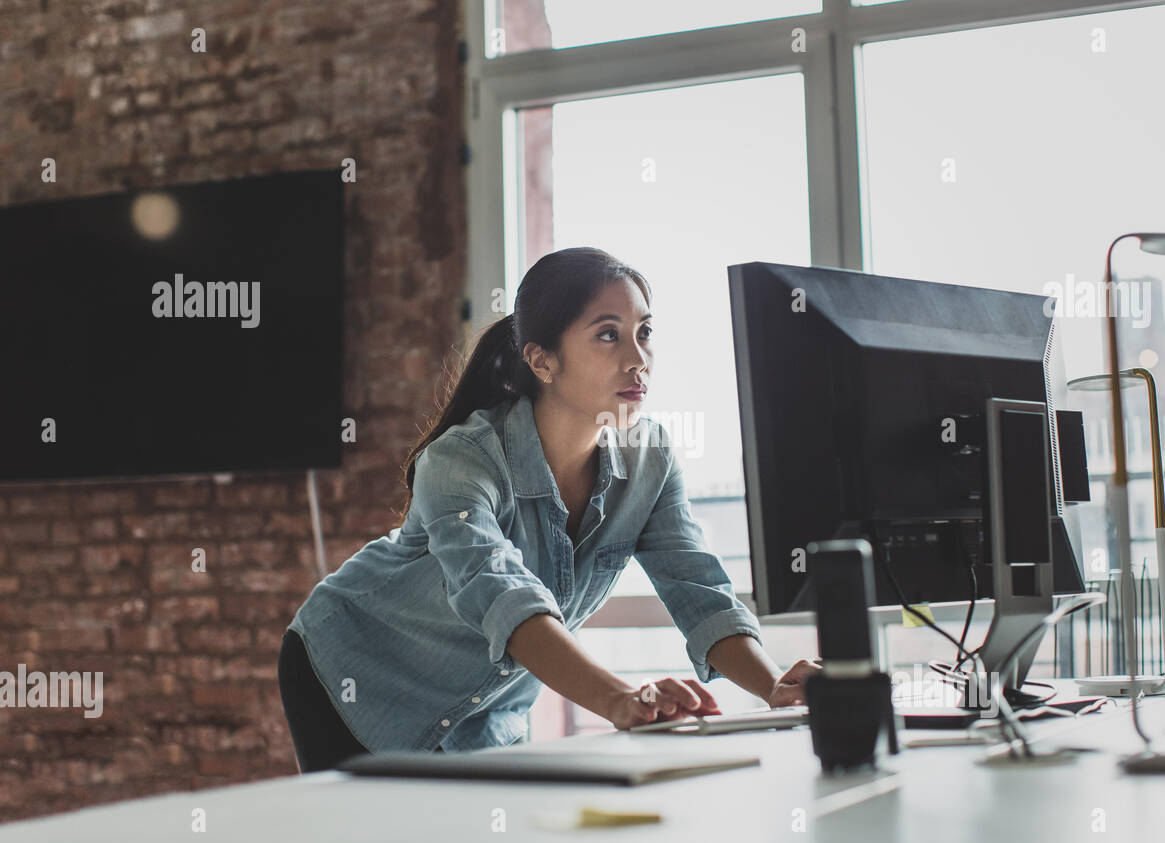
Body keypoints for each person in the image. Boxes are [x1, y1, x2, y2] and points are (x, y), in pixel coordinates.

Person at [278, 247, 821, 772]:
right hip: (352, 676)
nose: (637, 360)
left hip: (483, 716)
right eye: (608, 335)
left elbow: (700, 591)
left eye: (644, 333)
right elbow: (503, 596)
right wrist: (621, 699)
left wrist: (773, 685)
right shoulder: (461, 461)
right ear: (542, 359)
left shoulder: (650, 458)